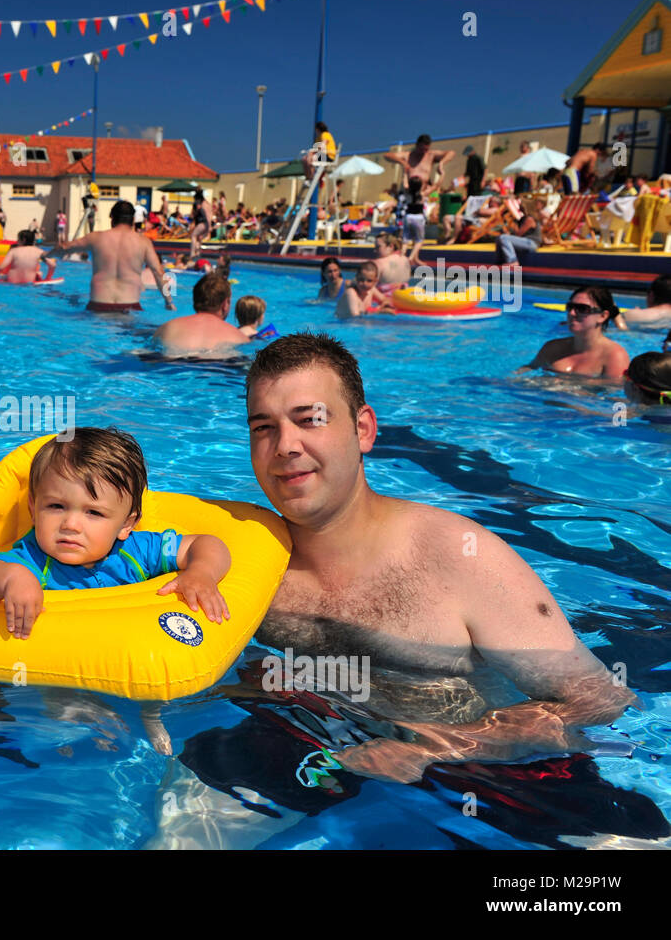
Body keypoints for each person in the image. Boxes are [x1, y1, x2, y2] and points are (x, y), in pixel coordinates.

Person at [149, 333, 652, 849]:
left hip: (484, 770)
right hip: (303, 736)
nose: (286, 446)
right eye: (264, 427)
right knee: (178, 841)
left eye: (310, 419)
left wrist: (438, 746)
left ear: (363, 429)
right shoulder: (240, 560)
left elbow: (599, 699)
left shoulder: (457, 557)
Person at [0, 427, 230, 641]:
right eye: (56, 506)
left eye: (94, 513)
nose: (71, 524)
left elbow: (208, 544)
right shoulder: (32, 561)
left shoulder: (137, 550)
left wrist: (200, 572)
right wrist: (11, 578)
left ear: (127, 524)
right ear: (34, 508)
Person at [47, 199, 173, 312]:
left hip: (98, 306)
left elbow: (64, 248)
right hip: (129, 307)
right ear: (133, 220)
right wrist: (168, 302)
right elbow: (158, 272)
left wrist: (46, 255)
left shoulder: (96, 238)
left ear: (112, 217)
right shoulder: (143, 242)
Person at [520, 286, 630, 380]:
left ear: (603, 316)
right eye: (570, 307)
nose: (572, 313)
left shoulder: (614, 356)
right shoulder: (552, 348)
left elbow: (616, 392)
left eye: (582, 309)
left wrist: (565, 385)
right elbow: (529, 369)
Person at [154, 272, 252, 355]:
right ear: (225, 304)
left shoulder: (166, 329)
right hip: (219, 369)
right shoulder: (240, 338)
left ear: (195, 299)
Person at [382, 134, 454, 194]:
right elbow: (387, 155)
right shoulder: (407, 156)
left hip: (422, 193)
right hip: (408, 193)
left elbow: (451, 153)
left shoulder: (431, 155)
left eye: (426, 149)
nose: (423, 152)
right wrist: (402, 162)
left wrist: (442, 163)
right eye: (421, 149)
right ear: (417, 145)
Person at [495, 202, 542, 266]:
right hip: (525, 241)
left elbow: (519, 234)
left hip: (531, 243)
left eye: (521, 208)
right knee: (499, 238)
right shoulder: (523, 219)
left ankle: (513, 261)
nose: (520, 210)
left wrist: (513, 222)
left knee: (503, 238)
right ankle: (500, 262)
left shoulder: (530, 219)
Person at [397, 178, 427, 265]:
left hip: (408, 217)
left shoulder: (407, 193)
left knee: (405, 239)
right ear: (421, 186)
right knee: (419, 240)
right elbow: (436, 185)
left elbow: (404, 183)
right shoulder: (423, 194)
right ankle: (411, 257)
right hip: (418, 217)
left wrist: (405, 173)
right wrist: (442, 175)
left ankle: (402, 257)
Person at [189, 190, 213, 259]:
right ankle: (198, 253)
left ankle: (192, 253)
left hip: (204, 223)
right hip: (205, 224)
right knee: (199, 238)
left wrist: (209, 227)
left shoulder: (203, 205)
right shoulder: (207, 203)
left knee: (193, 235)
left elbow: (208, 216)